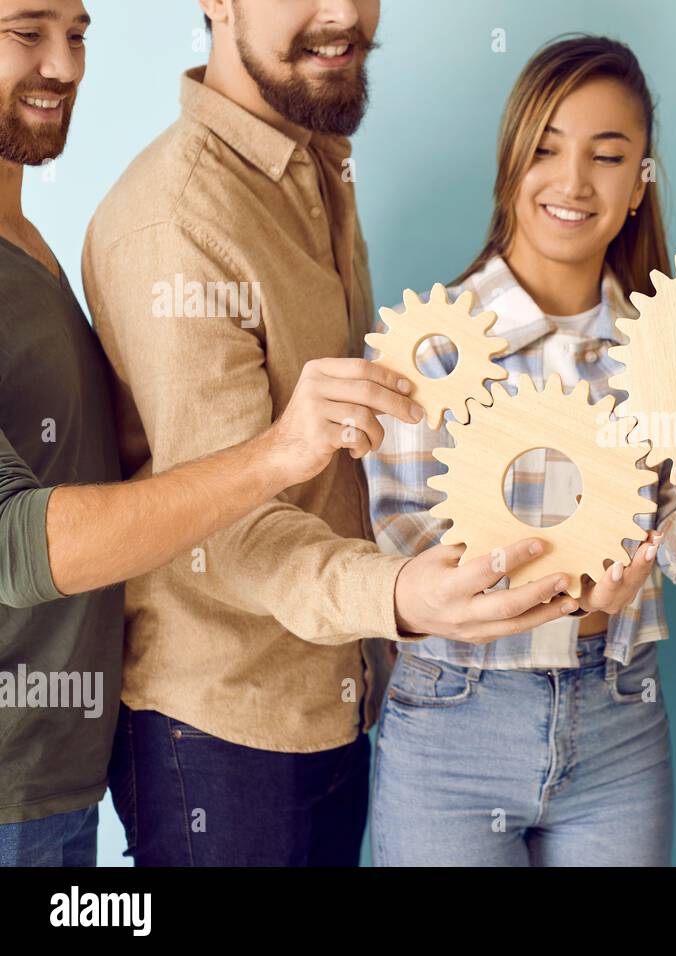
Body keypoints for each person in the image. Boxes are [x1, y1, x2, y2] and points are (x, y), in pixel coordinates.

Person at [79, 0, 575, 867]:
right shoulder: (179, 224)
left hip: (333, 701)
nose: (343, 13)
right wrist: (401, 597)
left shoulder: (307, 162)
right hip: (224, 734)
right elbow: (221, 524)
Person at [0, 0, 448, 867]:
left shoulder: (31, 243)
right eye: (27, 32)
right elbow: (17, 542)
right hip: (180, 743)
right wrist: (394, 591)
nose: (65, 65)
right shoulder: (171, 219)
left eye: (80, 34)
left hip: (76, 761)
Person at [364, 34, 676, 866]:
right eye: (546, 150)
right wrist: (565, 594)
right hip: (454, 719)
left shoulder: (675, 350)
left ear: (641, 183)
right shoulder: (428, 344)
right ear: (511, 165)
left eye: (609, 157)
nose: (573, 183)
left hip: (619, 718)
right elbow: (402, 543)